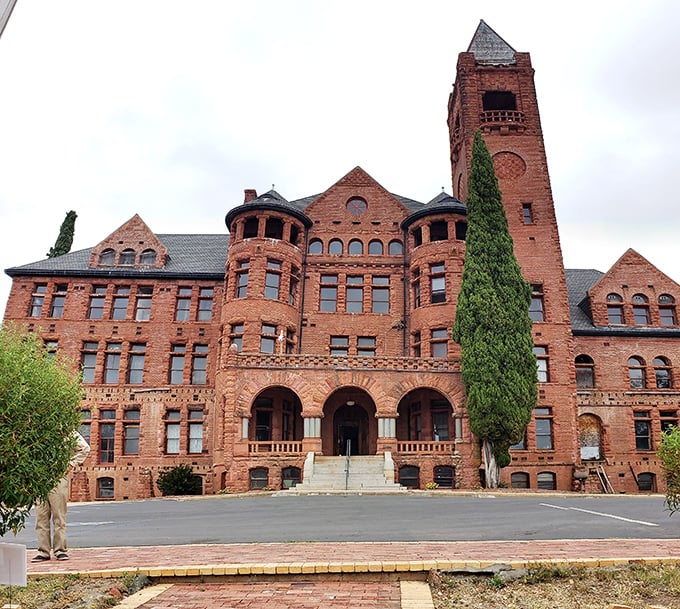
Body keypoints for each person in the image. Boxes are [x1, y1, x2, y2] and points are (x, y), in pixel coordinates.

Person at [32, 431, 90, 561]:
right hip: (39, 479)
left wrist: (70, 464)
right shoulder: (36, 429)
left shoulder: (65, 431)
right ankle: (43, 551)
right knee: (41, 516)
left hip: (57, 478)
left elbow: (85, 448)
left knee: (59, 516)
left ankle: (60, 550)